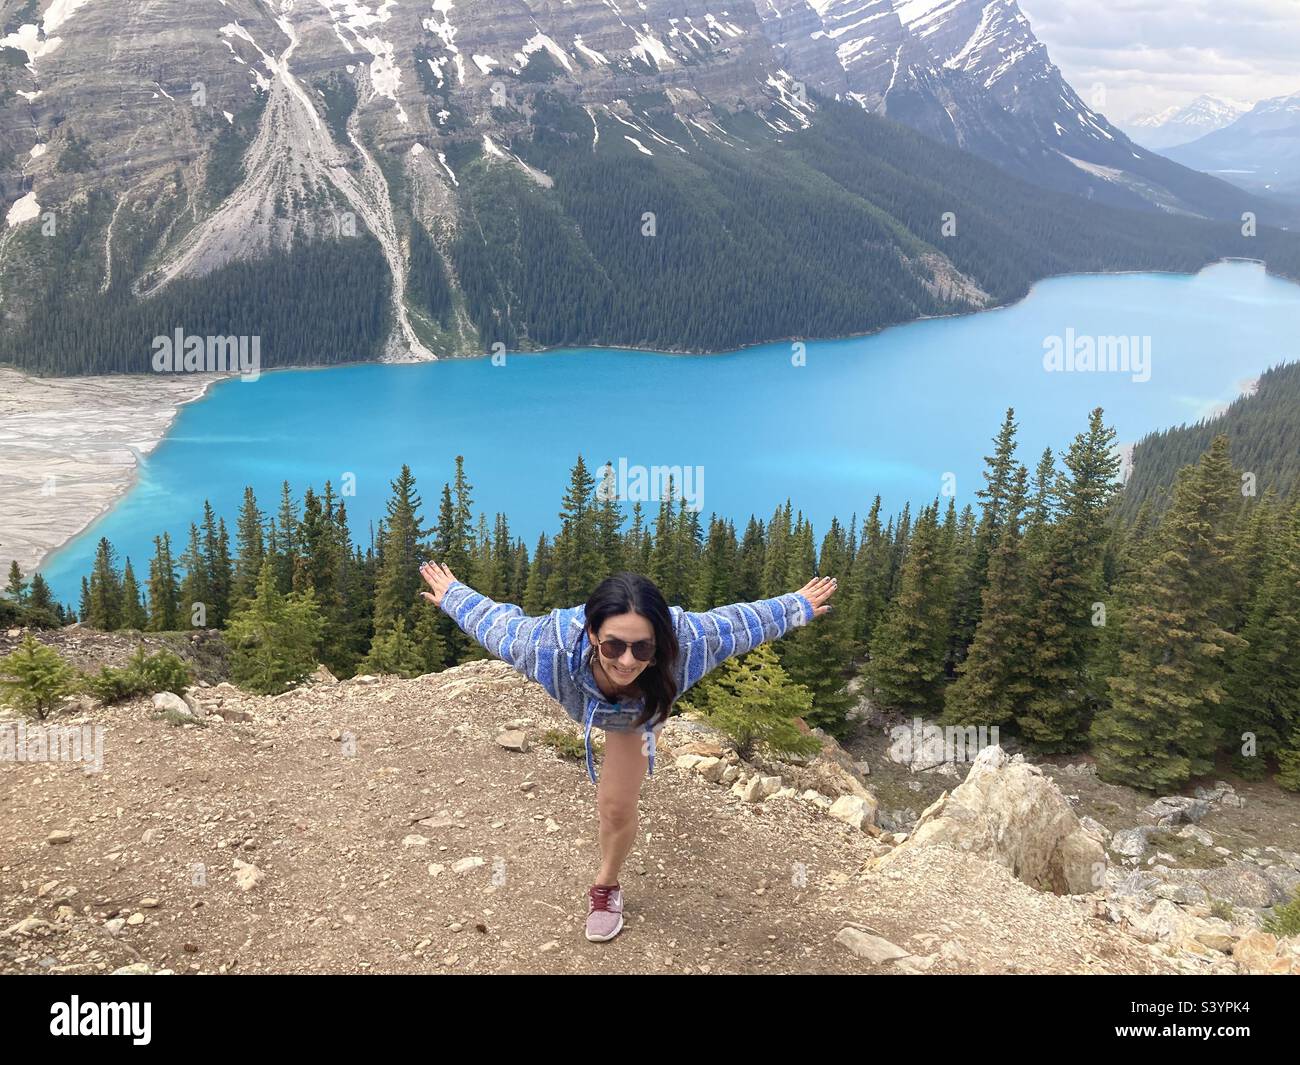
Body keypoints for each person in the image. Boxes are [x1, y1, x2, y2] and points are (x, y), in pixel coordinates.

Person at [418, 561, 837, 943]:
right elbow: (499, 626)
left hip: (639, 713)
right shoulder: (547, 649)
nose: (627, 660)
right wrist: (454, 595)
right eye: (613, 646)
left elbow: (737, 624)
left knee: (616, 808)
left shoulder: (688, 643)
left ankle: (606, 886)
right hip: (588, 699)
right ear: (593, 634)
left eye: (643, 648)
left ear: (660, 644)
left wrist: (796, 607)